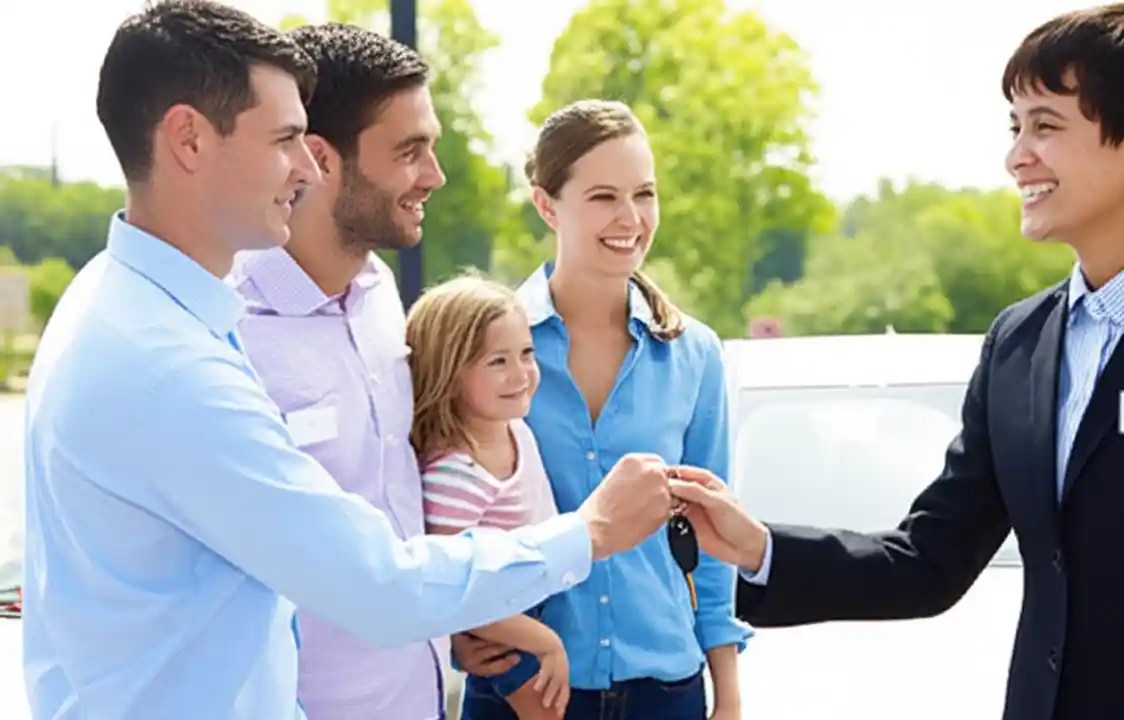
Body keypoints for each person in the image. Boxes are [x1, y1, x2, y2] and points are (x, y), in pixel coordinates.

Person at [21, 4, 676, 719]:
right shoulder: (163, 365)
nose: (306, 168)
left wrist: (462, 625)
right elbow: (374, 583)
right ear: (187, 140)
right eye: (284, 140)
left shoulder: (139, 306)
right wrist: (593, 530)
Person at [668, 3, 1124, 720]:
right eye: (1015, 127)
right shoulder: (1018, 344)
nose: (1017, 155)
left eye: (1046, 125)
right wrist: (759, 548)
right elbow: (930, 560)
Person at [455, 99, 751, 720]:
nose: (631, 218)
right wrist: (461, 634)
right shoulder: (481, 346)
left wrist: (728, 696)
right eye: (602, 197)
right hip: (522, 688)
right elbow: (444, 516)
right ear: (546, 204)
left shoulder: (693, 355)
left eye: (644, 194)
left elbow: (714, 540)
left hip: (664, 691)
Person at [226, 22, 448, 720]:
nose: (434, 176)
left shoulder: (383, 296)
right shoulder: (226, 332)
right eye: (411, 152)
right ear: (320, 159)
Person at [411, 275, 571, 719]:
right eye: (497, 361)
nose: (521, 374)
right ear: (449, 369)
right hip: (503, 640)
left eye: (526, 354)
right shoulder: (455, 474)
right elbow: (453, 591)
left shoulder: (516, 430)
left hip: (533, 612)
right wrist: (546, 643)